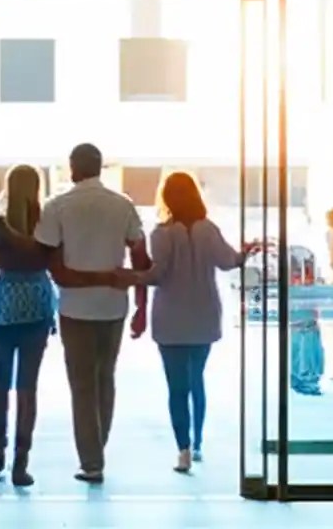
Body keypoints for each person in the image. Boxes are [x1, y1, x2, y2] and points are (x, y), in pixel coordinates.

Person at [33, 143, 150, 484]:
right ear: (100, 167)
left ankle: (92, 461)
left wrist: (87, 277)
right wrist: (140, 300)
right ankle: (98, 447)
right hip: (113, 305)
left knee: (82, 385)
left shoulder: (57, 207)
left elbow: (55, 268)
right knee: (105, 378)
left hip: (75, 308)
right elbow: (140, 256)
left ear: (73, 168)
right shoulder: (122, 205)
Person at [123, 171, 254, 472]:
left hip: (169, 318)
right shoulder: (209, 230)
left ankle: (182, 449)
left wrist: (130, 277)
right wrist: (244, 253)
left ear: (167, 198)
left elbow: (157, 275)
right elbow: (228, 261)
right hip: (204, 315)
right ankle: (198, 442)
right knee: (197, 380)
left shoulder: (162, 234)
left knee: (176, 387)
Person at [0, 165, 60, 487]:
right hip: (37, 305)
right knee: (27, 388)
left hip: (5, 307)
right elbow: (57, 264)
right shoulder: (47, 224)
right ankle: (22, 462)